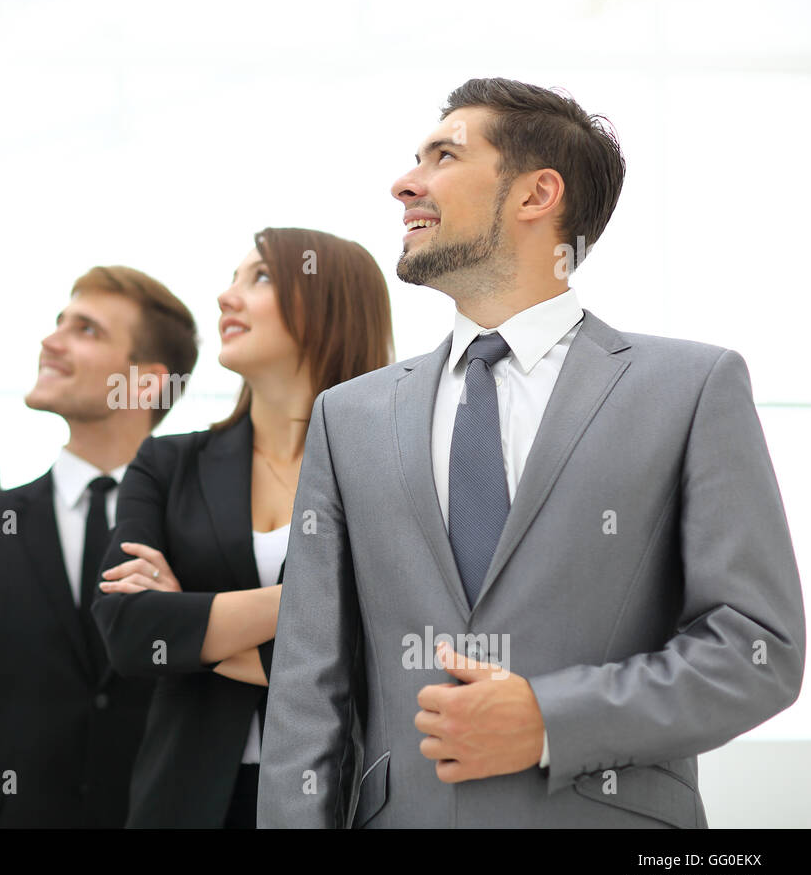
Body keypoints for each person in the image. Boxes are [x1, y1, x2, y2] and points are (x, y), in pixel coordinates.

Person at [258, 77, 806, 828]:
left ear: (536, 193)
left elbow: (756, 651)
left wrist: (552, 719)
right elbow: (306, 688)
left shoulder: (691, 387)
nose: (404, 182)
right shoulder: (347, 416)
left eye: (443, 155)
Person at [92, 228, 394, 827]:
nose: (228, 298)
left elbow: (390, 646)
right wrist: (320, 608)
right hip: (184, 802)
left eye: (259, 278)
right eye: (233, 279)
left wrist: (190, 621)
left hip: (344, 797)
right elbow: (129, 631)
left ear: (330, 302)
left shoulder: (388, 467)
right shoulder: (167, 463)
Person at [0, 266, 199, 828]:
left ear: (146, 382)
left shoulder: (204, 531)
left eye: (87, 330)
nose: (52, 341)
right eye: (59, 323)